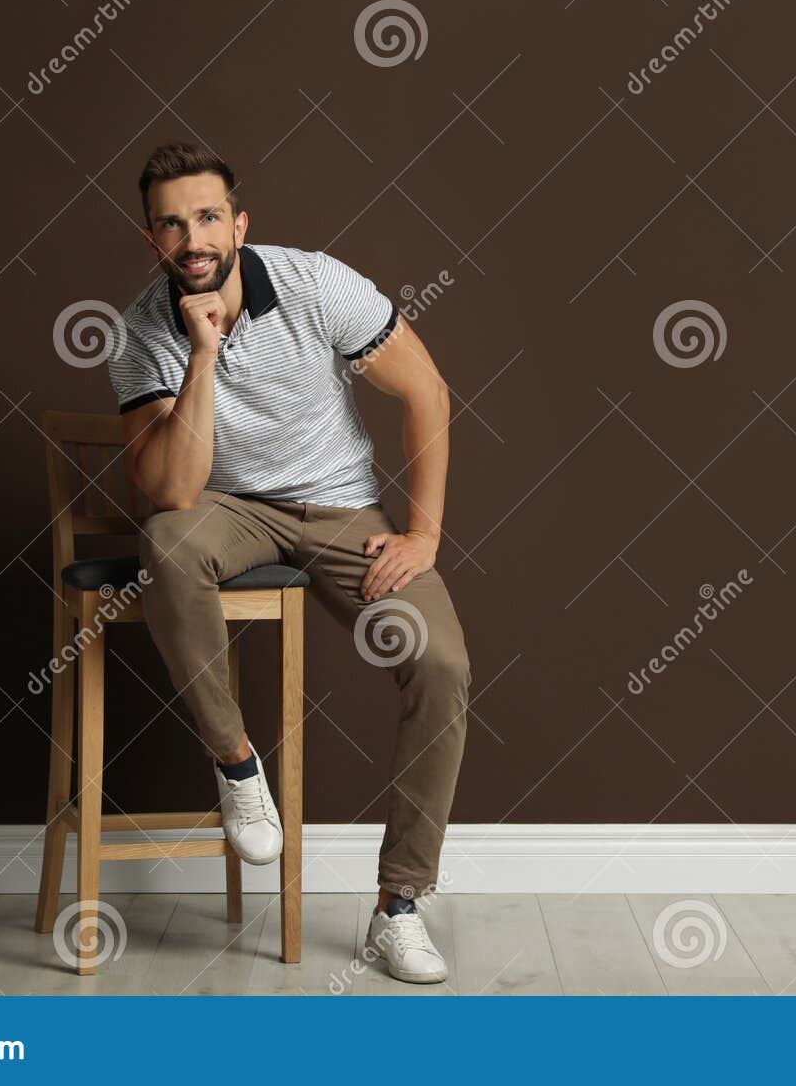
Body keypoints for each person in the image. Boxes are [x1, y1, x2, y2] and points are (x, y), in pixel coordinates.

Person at [105, 140, 469, 984]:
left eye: (206, 217)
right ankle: (237, 764)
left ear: (238, 224)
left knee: (441, 660)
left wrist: (424, 535)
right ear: (151, 237)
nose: (192, 237)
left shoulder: (315, 284)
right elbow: (172, 490)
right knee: (166, 542)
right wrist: (201, 351)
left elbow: (428, 391)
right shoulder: (140, 333)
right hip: (227, 510)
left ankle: (399, 908)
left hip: (341, 509)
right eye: (171, 223)